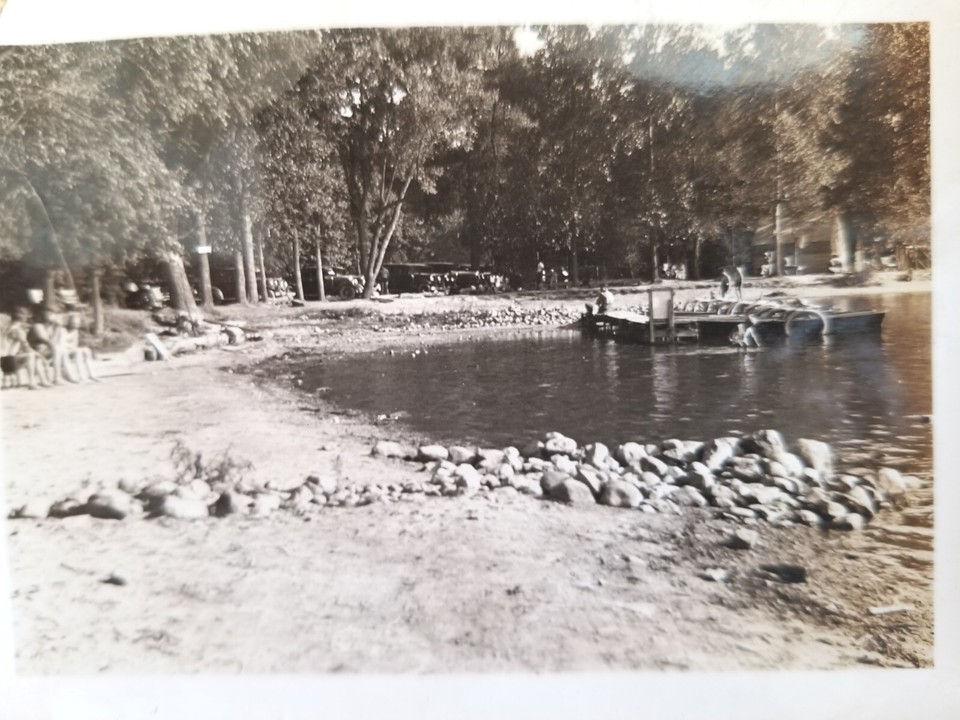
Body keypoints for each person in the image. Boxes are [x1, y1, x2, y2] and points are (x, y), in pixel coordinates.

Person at [2, 307, 52, 389]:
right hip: (8, 360)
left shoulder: (8, 327)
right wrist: (43, 359)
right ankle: (32, 382)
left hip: (4, 359)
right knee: (31, 355)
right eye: (26, 317)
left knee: (34, 355)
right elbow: (27, 348)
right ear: (22, 318)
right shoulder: (18, 330)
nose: (27, 319)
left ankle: (43, 381)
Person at [54, 311, 100, 383]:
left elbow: (75, 344)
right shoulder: (62, 330)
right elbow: (60, 343)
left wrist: (73, 349)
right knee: (66, 352)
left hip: (70, 349)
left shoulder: (75, 331)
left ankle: (90, 375)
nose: (76, 325)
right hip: (62, 350)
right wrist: (69, 349)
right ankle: (74, 378)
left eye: (77, 323)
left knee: (85, 350)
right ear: (69, 322)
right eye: (74, 323)